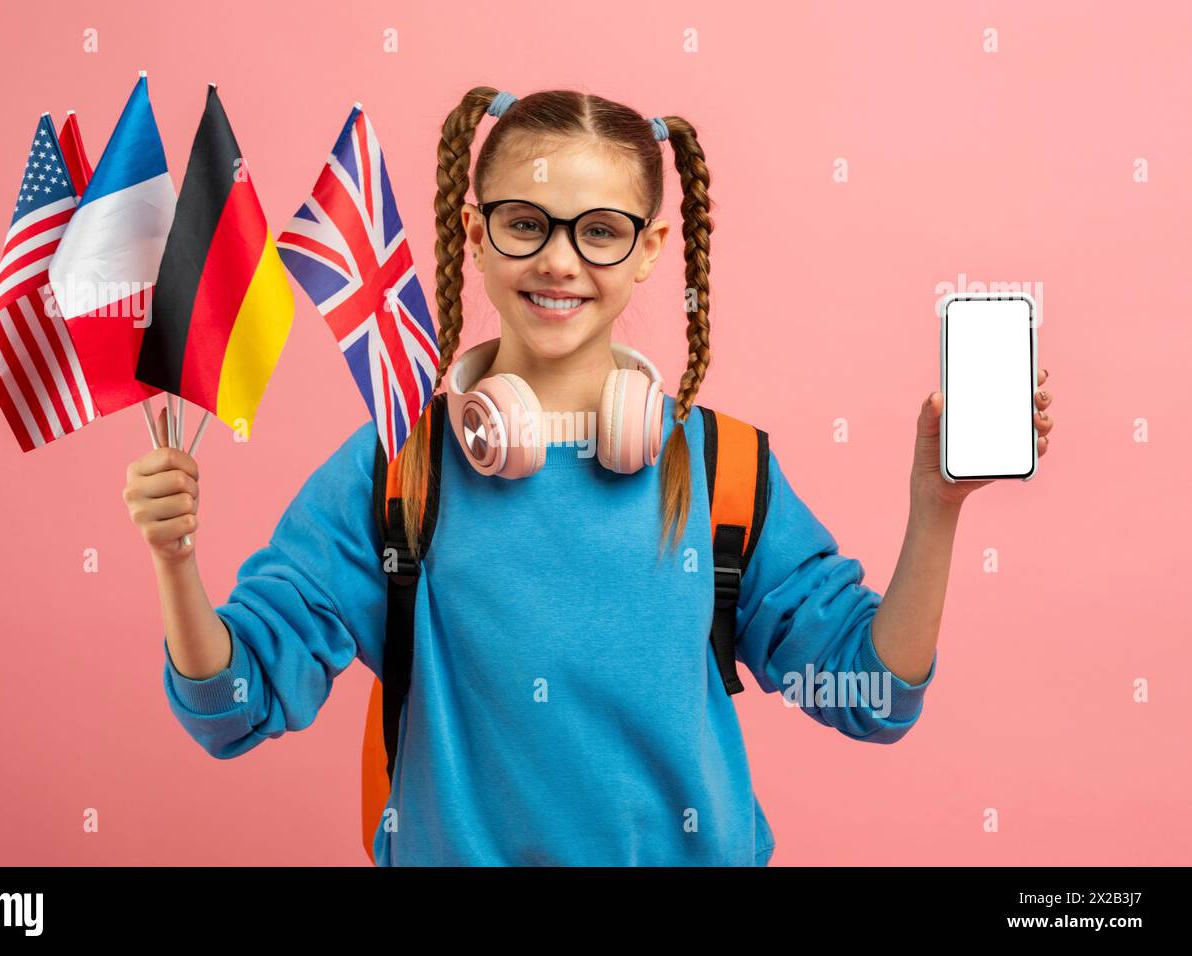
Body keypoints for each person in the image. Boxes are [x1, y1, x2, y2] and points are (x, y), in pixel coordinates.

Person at [123, 87, 1055, 866]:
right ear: (476, 234)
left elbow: (876, 697)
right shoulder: (392, 470)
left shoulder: (725, 471)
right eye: (526, 224)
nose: (560, 260)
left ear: (650, 248)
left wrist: (936, 512)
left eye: (600, 230)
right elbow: (232, 710)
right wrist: (175, 561)